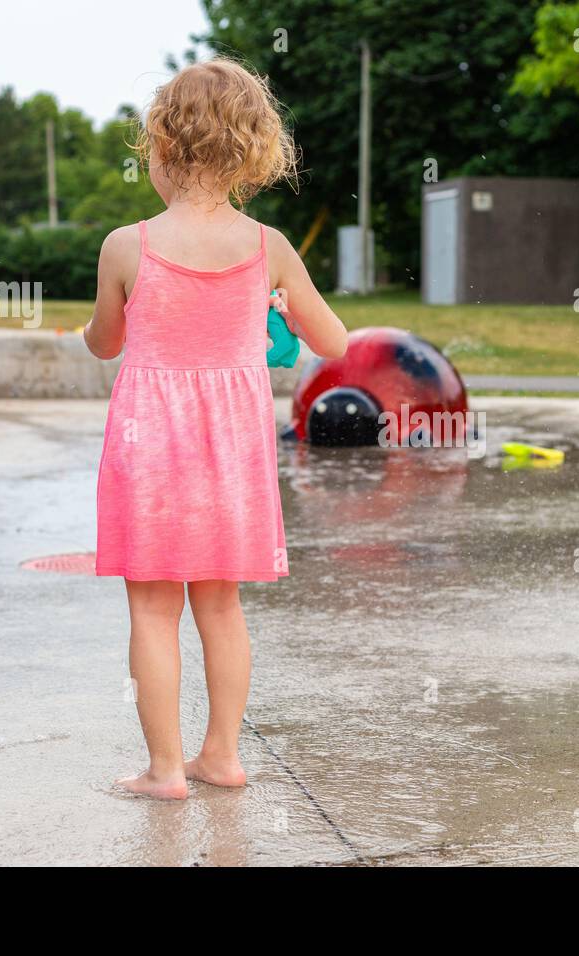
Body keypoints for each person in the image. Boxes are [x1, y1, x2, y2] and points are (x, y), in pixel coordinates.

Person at [83, 58, 348, 800]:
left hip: (151, 452)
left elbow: (105, 343)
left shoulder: (126, 246)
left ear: (161, 147)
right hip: (231, 456)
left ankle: (165, 770)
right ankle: (222, 756)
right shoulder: (269, 248)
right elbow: (334, 342)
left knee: (153, 608)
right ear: (251, 152)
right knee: (221, 605)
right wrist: (284, 309)